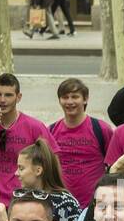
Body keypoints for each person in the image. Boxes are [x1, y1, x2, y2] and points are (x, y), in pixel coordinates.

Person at [0, 73, 60, 203]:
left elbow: (53, 159)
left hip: (22, 198)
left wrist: (46, 193)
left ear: (18, 97)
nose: (2, 100)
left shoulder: (34, 126)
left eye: (8, 95)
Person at [49, 80, 114, 208]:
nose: (69, 102)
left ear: (85, 99)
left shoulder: (101, 129)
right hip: (60, 204)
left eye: (75, 97)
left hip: (94, 205)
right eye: (65, 97)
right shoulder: (51, 131)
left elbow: (113, 166)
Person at [15, 139, 79, 221]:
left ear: (38, 171)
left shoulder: (64, 203)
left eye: (21, 168)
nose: (16, 173)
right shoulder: (23, 198)